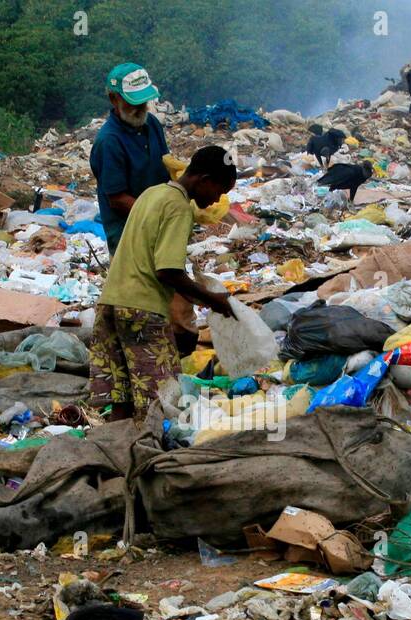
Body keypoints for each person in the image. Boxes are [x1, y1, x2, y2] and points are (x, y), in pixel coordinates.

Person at [89, 146, 238, 420]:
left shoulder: (151, 194)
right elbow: (167, 271)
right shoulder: (179, 208)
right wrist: (211, 299)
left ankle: (113, 454)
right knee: (163, 402)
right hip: (141, 311)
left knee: (122, 399)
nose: (217, 200)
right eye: (219, 191)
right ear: (203, 179)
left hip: (110, 304)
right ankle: (152, 458)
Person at [90, 63, 171, 257]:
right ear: (113, 99)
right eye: (132, 102)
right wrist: (157, 216)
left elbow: (167, 165)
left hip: (159, 230)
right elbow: (117, 199)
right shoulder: (109, 141)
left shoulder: (151, 124)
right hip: (128, 237)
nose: (139, 107)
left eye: (143, 101)